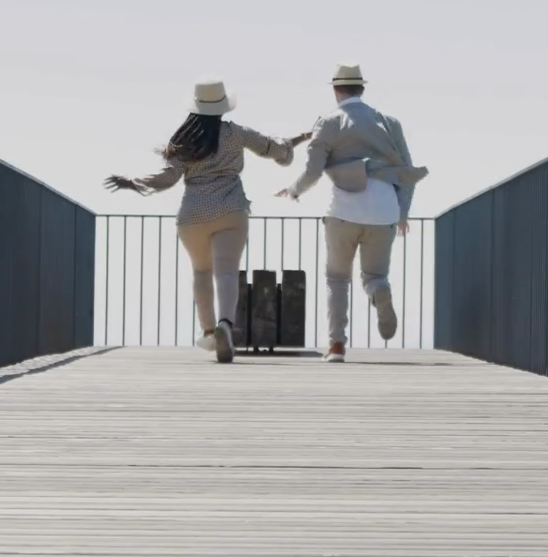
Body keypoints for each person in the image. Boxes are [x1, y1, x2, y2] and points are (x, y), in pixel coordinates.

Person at [105, 79, 308, 363]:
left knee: (201, 272)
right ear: (223, 107)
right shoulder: (235, 133)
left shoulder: (184, 139)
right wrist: (298, 140)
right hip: (230, 208)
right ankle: (226, 324)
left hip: (192, 214)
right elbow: (276, 151)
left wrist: (133, 182)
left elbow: (168, 178)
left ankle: (210, 331)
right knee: (226, 271)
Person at [277, 62, 427, 362]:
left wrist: (294, 190)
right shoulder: (389, 122)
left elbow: (313, 170)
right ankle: (379, 291)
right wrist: (402, 213)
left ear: (336, 90)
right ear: (362, 88)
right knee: (374, 275)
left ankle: (336, 346)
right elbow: (406, 172)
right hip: (385, 211)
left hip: (344, 211)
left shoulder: (329, 123)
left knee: (337, 279)